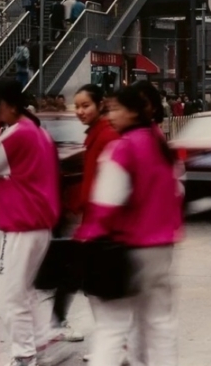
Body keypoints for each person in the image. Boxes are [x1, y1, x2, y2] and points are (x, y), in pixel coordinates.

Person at [79, 84, 183, 366]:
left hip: (125, 248)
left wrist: (89, 236)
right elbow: (177, 192)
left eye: (115, 109)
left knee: (112, 327)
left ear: (133, 112)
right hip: (161, 247)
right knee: (160, 323)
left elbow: (107, 204)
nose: (110, 115)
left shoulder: (122, 148)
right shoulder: (159, 143)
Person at [0, 79, 62, 366]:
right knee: (23, 291)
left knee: (9, 297)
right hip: (39, 223)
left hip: (23, 225)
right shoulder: (38, 132)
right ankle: (38, 338)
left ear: (10, 105)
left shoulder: (18, 134)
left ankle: (25, 354)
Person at [49, 84, 120, 349]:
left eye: (85, 105)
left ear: (101, 104)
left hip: (99, 223)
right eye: (77, 106)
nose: (80, 111)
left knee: (92, 282)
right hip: (88, 219)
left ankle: (112, 343)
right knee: (85, 279)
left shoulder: (106, 136)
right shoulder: (95, 135)